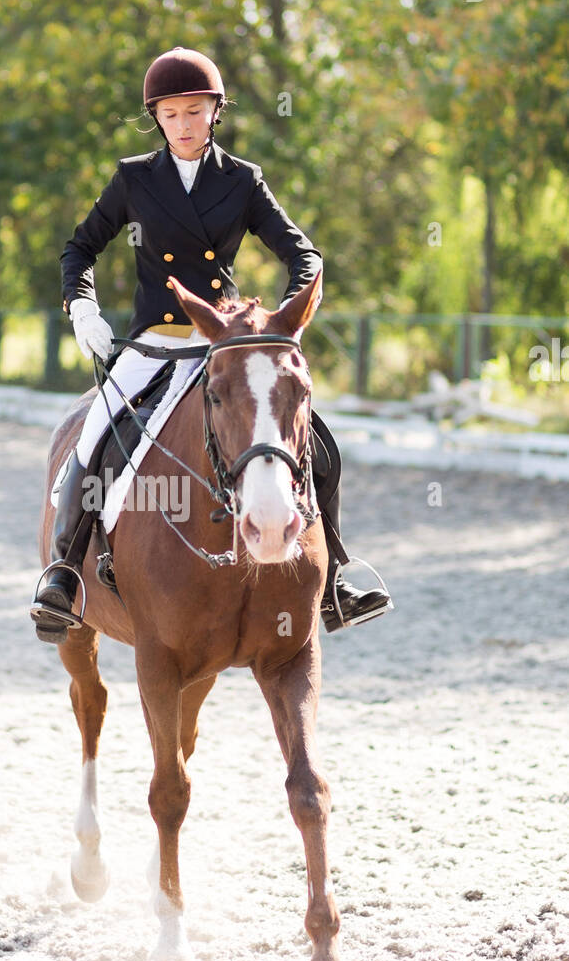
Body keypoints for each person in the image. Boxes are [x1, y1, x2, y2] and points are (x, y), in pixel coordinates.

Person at [31, 46, 392, 643]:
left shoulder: (243, 181)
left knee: (315, 440)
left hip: (221, 344)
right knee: (89, 443)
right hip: (152, 343)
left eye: (194, 112)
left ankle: (338, 577)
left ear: (214, 112)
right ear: (158, 119)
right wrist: (83, 305)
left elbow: (302, 253)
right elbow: (80, 248)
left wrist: (286, 316)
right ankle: (64, 572)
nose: (183, 125)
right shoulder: (133, 179)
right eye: (171, 115)